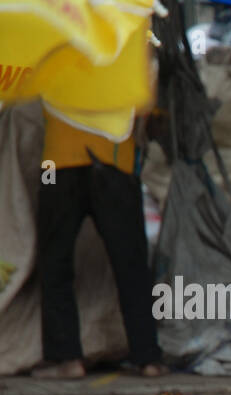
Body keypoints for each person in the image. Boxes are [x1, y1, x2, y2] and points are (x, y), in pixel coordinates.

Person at [34, 108, 166, 379]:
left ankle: (67, 359)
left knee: (54, 262)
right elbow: (150, 111)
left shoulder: (51, 64)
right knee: (132, 266)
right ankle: (148, 358)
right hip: (116, 164)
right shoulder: (125, 66)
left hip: (56, 166)